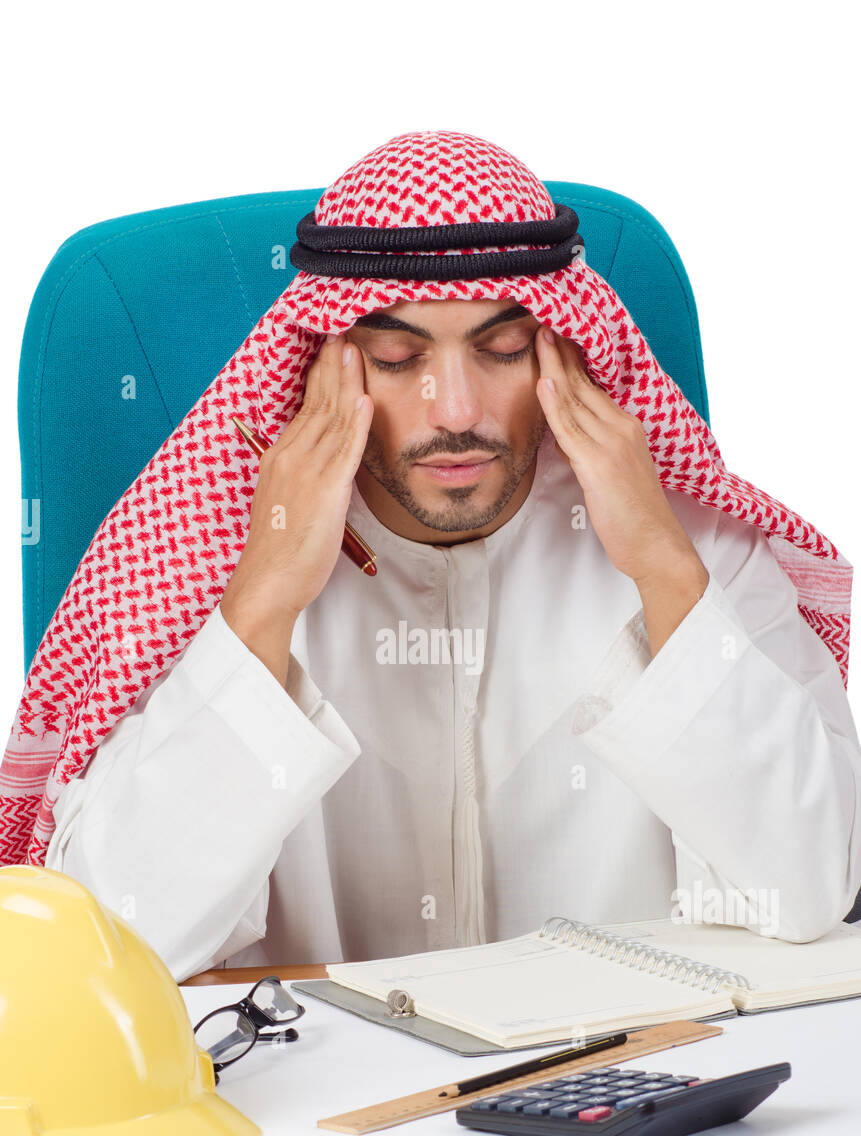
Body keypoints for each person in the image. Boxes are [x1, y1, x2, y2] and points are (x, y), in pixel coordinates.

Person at [4, 131, 861, 979]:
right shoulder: (208, 565)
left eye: (500, 350)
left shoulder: (687, 543)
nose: (453, 408)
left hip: (628, 1086)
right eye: (396, 355)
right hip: (312, 1107)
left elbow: (811, 886)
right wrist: (261, 607)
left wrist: (663, 570)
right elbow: (108, 952)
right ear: (325, 362)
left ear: (562, 347)